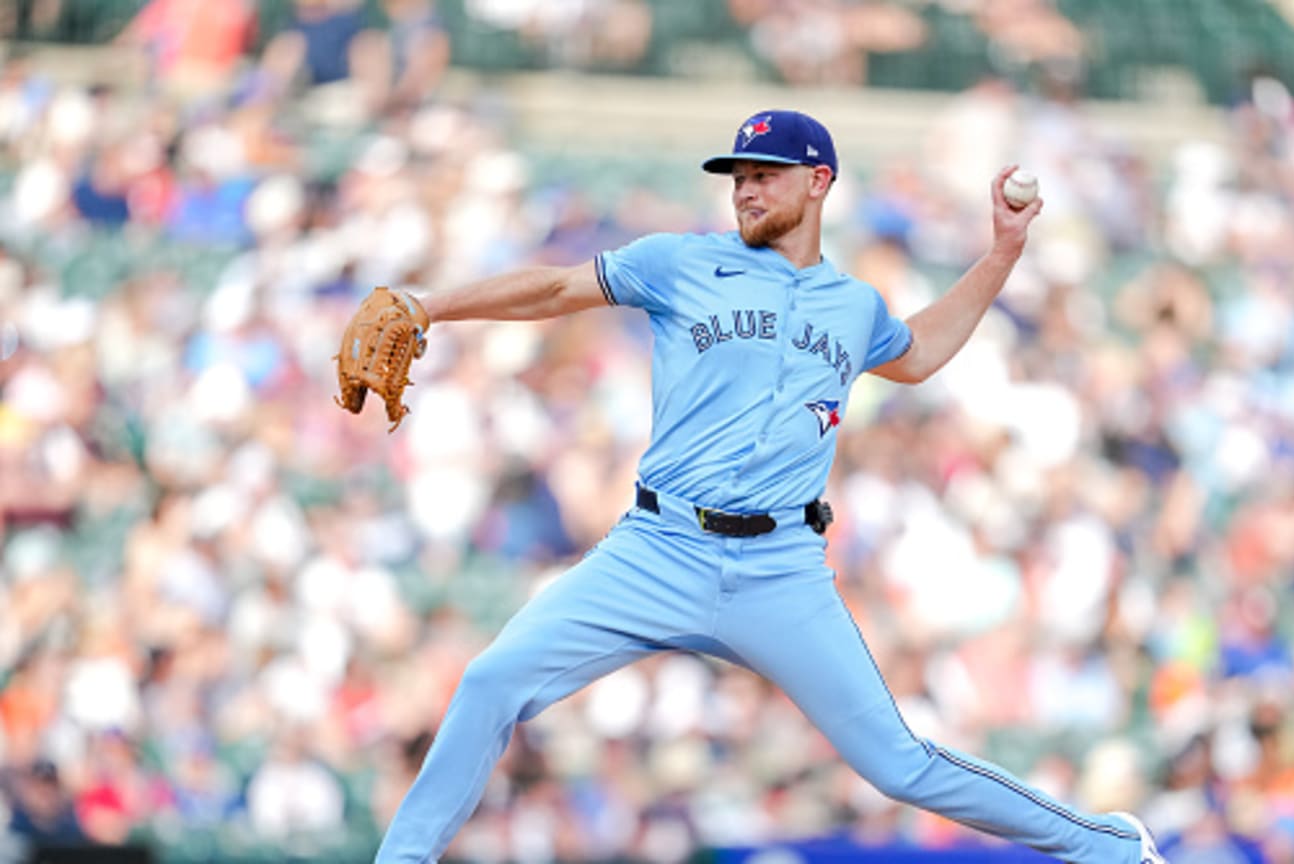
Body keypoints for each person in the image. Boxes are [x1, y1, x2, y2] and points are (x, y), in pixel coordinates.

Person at [369, 109, 1166, 864]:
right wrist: (428, 306)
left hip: (779, 568)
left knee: (898, 765)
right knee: (491, 680)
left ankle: (1109, 846)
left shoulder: (853, 306)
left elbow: (917, 355)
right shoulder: (681, 262)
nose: (746, 188)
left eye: (766, 174)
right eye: (737, 175)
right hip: (656, 547)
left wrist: (1000, 254)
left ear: (818, 181)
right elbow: (553, 289)